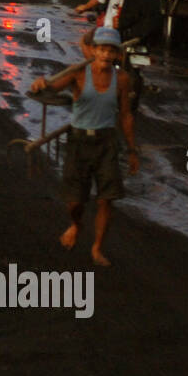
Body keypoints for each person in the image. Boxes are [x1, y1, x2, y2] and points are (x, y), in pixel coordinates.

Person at [31, 27, 140, 267]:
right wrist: (41, 83)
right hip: (79, 142)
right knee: (74, 202)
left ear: (117, 55)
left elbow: (125, 115)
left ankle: (97, 247)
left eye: (110, 51)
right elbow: (53, 88)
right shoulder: (79, 74)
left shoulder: (122, 79)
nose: (105, 55)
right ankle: (77, 225)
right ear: (93, 51)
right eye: (101, 49)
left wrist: (132, 150)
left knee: (106, 199)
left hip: (107, 143)